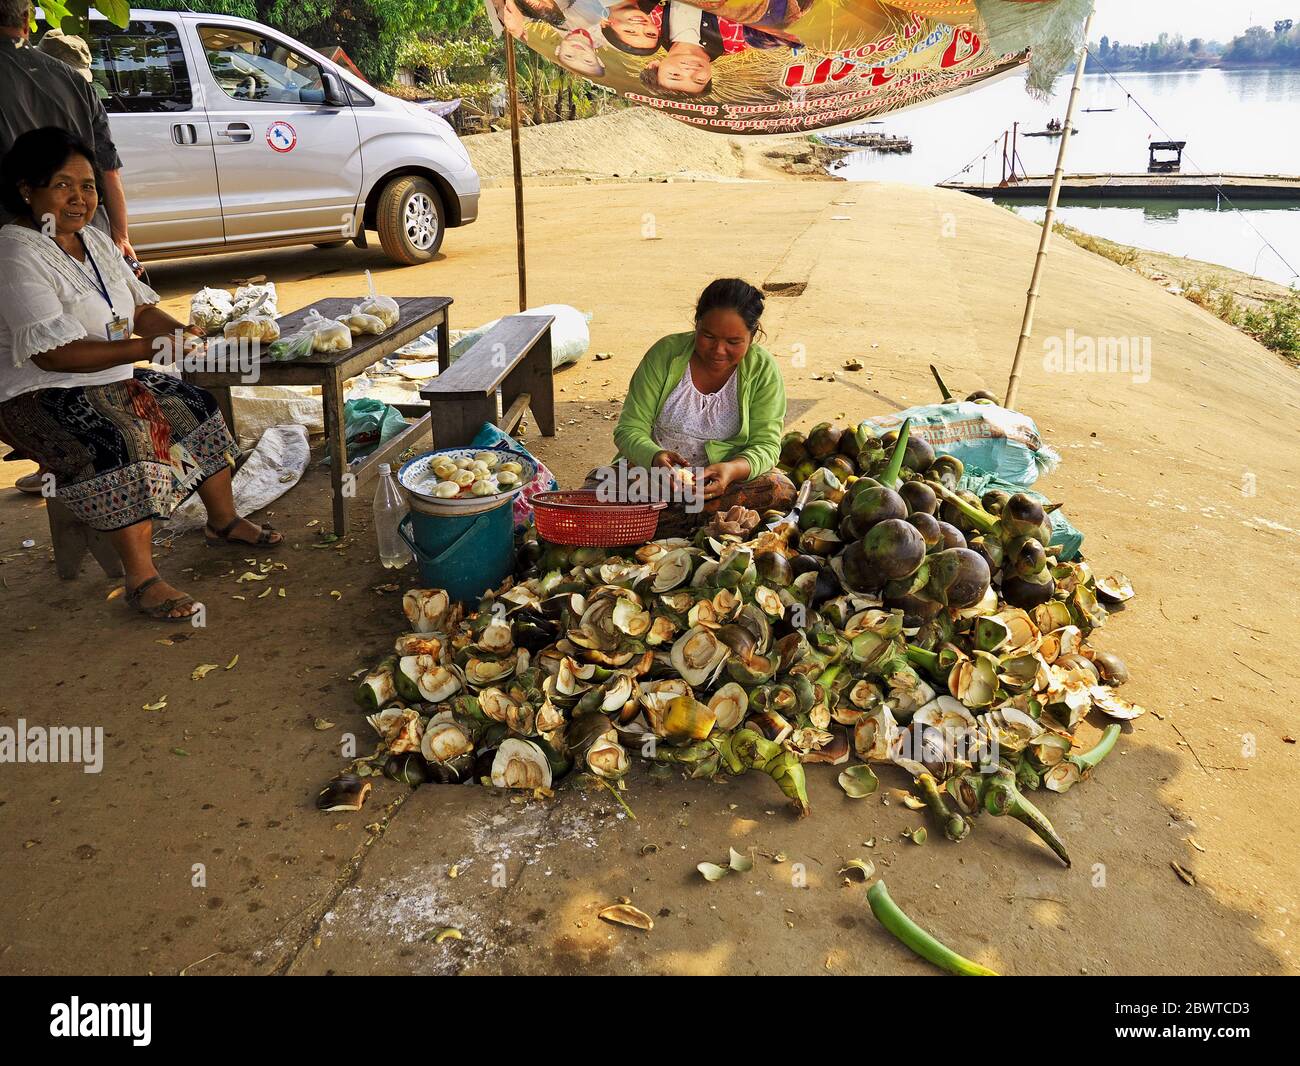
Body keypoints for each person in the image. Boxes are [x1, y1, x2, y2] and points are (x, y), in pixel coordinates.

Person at [0, 128, 282, 620]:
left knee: (196, 404)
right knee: (122, 437)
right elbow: (55, 355)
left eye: (88, 186)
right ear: (28, 189)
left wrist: (180, 334)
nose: (79, 198)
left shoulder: (94, 240)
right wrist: (148, 346)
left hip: (109, 376)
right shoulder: (15, 252)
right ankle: (142, 578)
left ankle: (223, 521)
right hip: (36, 395)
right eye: (63, 185)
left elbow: (139, 307)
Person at [597, 278, 795, 535]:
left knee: (779, 488)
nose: (718, 350)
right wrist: (655, 457)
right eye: (708, 336)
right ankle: (703, 524)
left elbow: (766, 446)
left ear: (752, 335)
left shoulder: (763, 370)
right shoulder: (665, 355)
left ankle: (649, 526)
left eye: (733, 342)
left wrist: (731, 470)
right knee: (598, 488)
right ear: (696, 324)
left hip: (721, 488)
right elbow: (628, 429)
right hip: (652, 479)